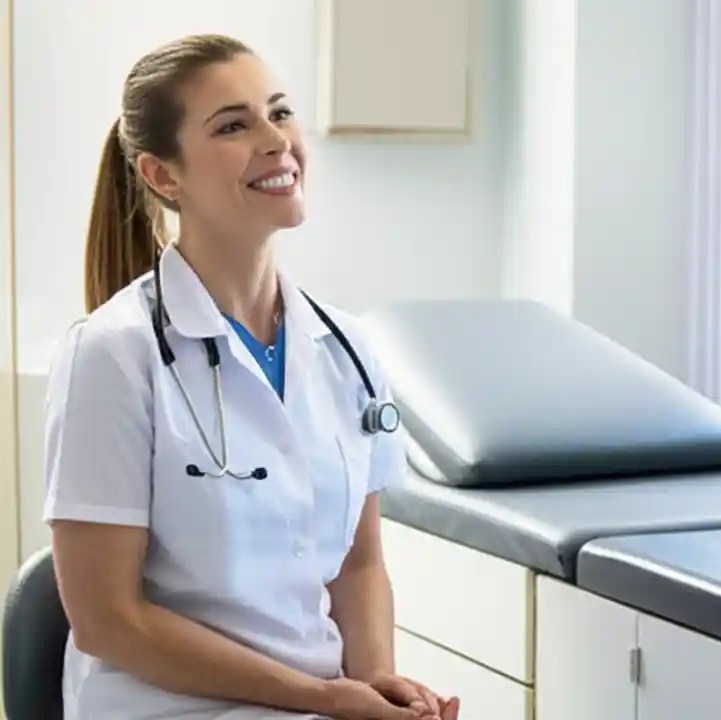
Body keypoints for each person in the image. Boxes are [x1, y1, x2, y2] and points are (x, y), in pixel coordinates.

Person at [43, 35, 460, 720]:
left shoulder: (346, 348)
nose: (276, 140)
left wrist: (378, 677)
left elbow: (357, 568)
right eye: (233, 125)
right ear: (162, 175)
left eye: (280, 112)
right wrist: (325, 696)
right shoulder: (112, 355)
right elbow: (108, 621)